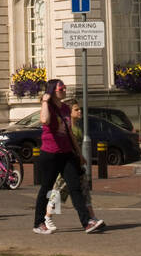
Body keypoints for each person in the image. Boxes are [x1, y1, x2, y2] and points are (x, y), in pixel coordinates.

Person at [33, 78, 104, 235]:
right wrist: (45, 101)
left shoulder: (65, 108)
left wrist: (79, 154)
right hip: (50, 153)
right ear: (52, 91)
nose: (64, 90)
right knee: (47, 188)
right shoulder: (49, 107)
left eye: (65, 88)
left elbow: (70, 133)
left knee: (75, 187)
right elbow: (44, 120)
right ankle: (39, 223)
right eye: (61, 88)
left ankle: (87, 222)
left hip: (66, 154)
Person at [46, 100, 96, 231]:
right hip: (67, 164)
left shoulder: (77, 129)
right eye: (76, 109)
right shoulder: (67, 128)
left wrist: (81, 158)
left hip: (77, 163)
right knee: (58, 191)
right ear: (69, 112)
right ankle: (47, 217)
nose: (80, 111)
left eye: (79, 109)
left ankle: (92, 217)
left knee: (84, 191)